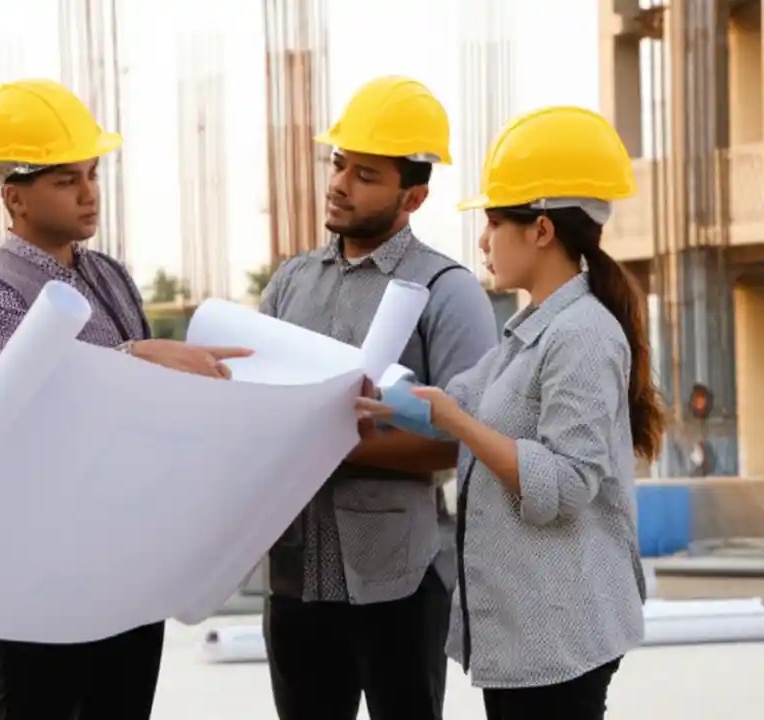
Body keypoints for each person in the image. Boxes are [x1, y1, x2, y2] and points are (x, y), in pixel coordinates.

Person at [0, 78, 250, 720]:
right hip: (34, 574)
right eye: (65, 180)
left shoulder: (108, 275)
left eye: (92, 174)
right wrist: (137, 357)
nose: (88, 193)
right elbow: (21, 391)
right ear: (13, 195)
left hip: (124, 560)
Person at [357, 105, 661, 720]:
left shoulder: (582, 336)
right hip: (530, 632)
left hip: (561, 635)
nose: (482, 239)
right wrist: (363, 393)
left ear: (541, 230)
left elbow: (569, 483)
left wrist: (459, 424)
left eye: (493, 222)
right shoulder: (530, 332)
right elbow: (453, 399)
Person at [257, 75, 498, 720]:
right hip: (296, 578)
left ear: (413, 196)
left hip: (398, 578)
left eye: (365, 174)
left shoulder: (447, 292)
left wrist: (334, 448)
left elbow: (465, 440)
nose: (339, 184)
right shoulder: (289, 285)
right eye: (339, 165)